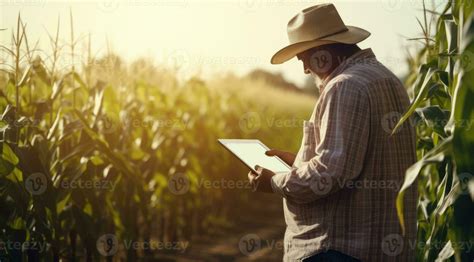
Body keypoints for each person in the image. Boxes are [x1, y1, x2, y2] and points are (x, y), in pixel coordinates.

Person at [247, 3, 417, 261]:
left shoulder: (344, 86)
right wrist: (298, 162)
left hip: (338, 248)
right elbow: (355, 158)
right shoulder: (387, 79)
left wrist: (273, 181)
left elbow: (330, 173)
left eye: (304, 58)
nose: (305, 69)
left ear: (323, 54)